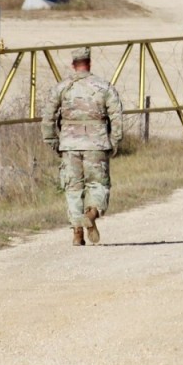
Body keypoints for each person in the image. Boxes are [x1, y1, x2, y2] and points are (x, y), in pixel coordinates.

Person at [41, 46, 124, 246]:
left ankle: (77, 233)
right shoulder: (104, 87)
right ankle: (92, 214)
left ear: (73, 65)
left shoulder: (62, 88)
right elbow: (117, 117)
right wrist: (114, 141)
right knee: (98, 184)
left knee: (73, 188)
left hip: (69, 145)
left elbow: (48, 118)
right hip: (97, 144)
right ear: (89, 63)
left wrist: (53, 141)